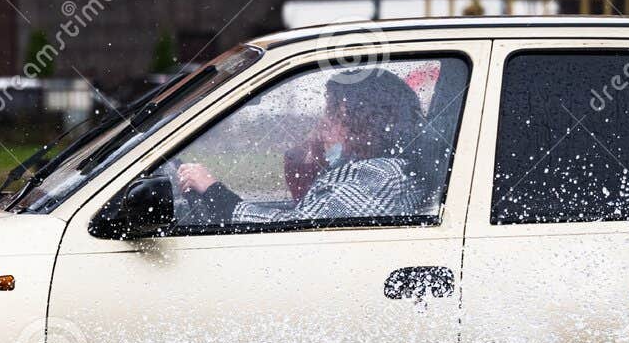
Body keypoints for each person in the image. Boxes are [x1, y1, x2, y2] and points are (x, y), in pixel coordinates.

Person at [176, 68, 438, 226]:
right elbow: (310, 211)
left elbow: (298, 230)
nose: (324, 122)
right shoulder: (368, 168)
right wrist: (312, 162)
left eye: (333, 112)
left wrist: (214, 191)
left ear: (365, 120)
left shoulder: (381, 175)